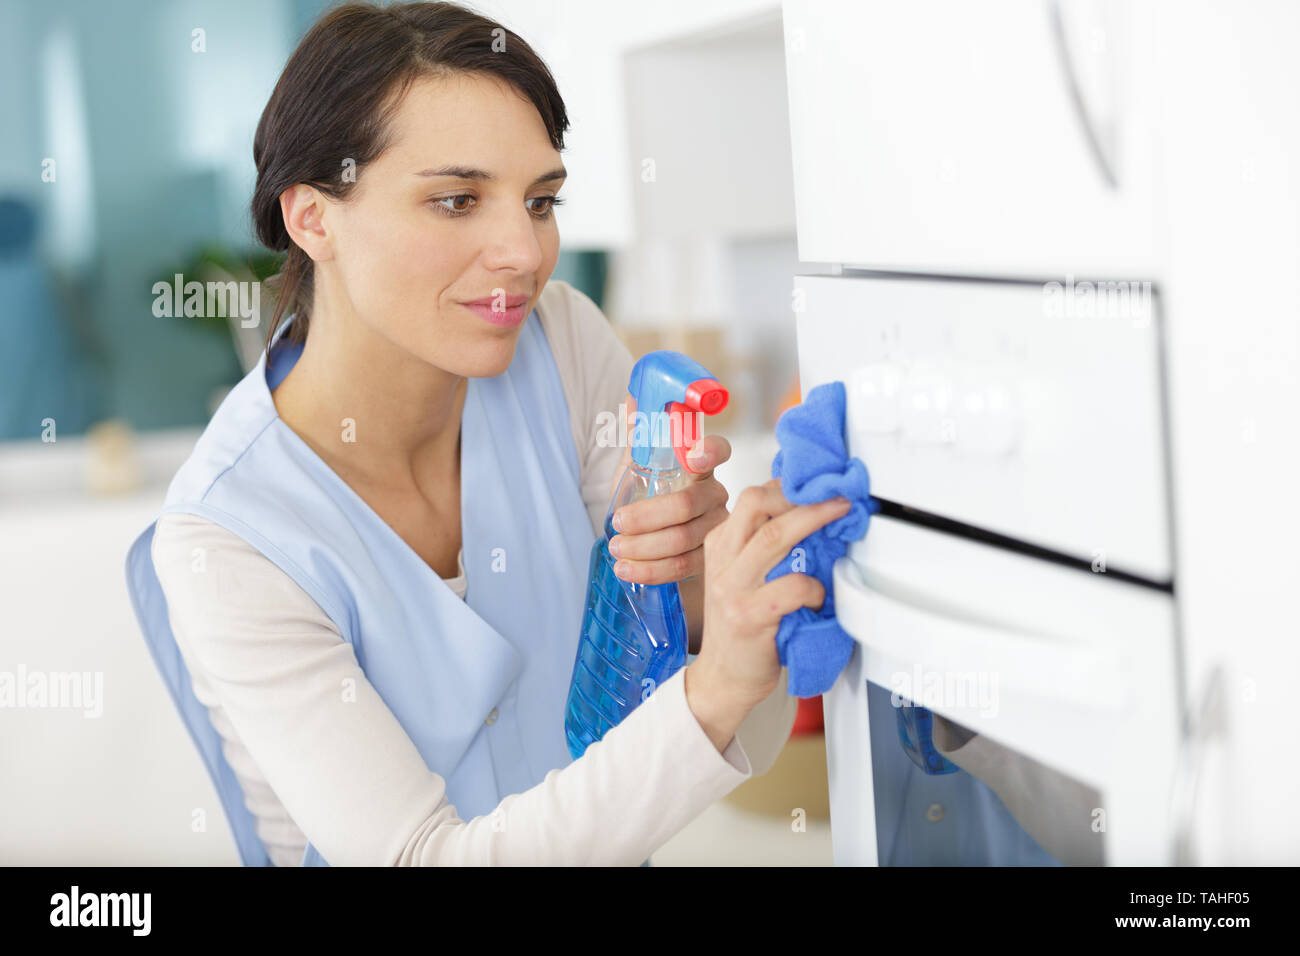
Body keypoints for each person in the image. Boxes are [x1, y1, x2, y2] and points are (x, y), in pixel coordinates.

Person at [124, 1, 841, 866]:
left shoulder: (563, 340)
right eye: (457, 200)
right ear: (314, 219)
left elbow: (661, 694)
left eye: (541, 200)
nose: (524, 252)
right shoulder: (227, 537)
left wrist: (697, 595)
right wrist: (719, 685)